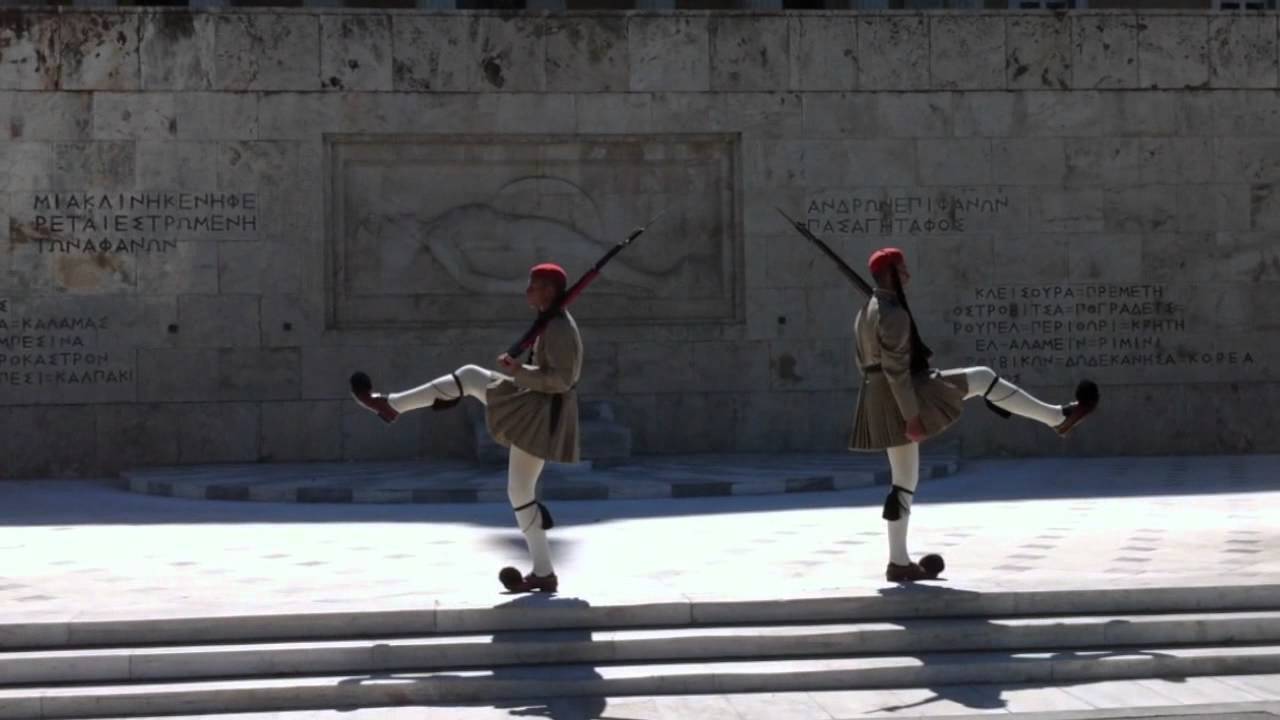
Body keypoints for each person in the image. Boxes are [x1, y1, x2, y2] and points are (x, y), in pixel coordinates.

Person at [851, 247, 1098, 583]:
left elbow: (869, 364)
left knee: (903, 482)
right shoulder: (893, 314)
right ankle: (1057, 418)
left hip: (880, 396)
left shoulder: (865, 311)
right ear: (892, 273)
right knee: (981, 378)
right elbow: (896, 372)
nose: (908, 273)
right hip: (903, 393)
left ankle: (898, 562)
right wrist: (911, 416)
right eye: (903, 268)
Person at [349, 263, 582, 594]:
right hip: (534, 404)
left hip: (540, 413)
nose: (526, 290)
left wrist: (517, 371)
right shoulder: (550, 321)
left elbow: (562, 379)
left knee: (474, 383)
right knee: (472, 382)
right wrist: (521, 370)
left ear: (549, 291)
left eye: (533, 285)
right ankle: (544, 573)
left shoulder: (559, 328)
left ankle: (392, 405)